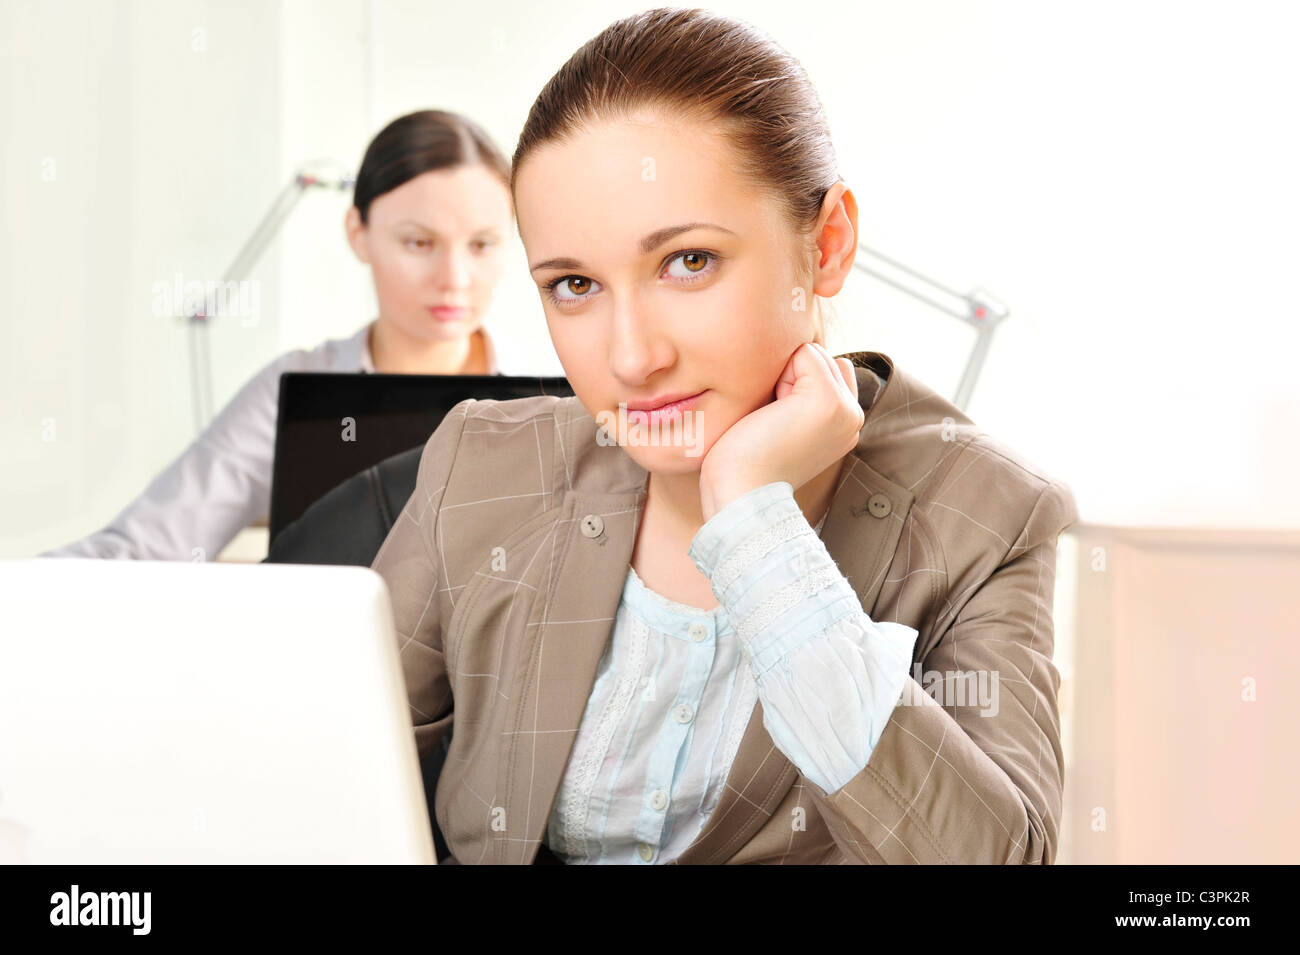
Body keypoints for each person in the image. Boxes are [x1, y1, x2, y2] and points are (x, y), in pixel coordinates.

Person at [372, 8, 1080, 865]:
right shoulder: (482, 465)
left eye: (689, 262)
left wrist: (754, 525)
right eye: (574, 285)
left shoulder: (987, 514)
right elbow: (314, 785)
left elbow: (997, 857)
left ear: (827, 243)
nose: (633, 357)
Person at [42, 109, 530, 561]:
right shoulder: (294, 387)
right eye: (419, 242)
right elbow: (147, 545)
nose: (455, 278)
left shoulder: (548, 401)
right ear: (358, 233)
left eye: (482, 245)